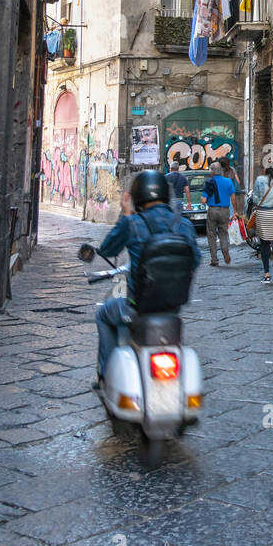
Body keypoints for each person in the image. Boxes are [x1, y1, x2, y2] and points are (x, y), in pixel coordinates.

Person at [93, 169, 201, 385]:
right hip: (173, 308)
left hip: (137, 307)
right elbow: (195, 260)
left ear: (137, 196)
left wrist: (125, 214)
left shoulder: (132, 223)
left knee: (103, 313)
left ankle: (104, 375)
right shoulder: (185, 225)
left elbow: (107, 250)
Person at [202, 157, 239, 266]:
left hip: (212, 210)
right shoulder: (228, 181)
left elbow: (204, 200)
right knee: (223, 232)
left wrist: (205, 198)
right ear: (221, 171)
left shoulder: (208, 182)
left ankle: (214, 260)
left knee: (211, 235)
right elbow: (233, 198)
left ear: (212, 171)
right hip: (225, 211)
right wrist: (235, 211)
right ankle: (225, 250)